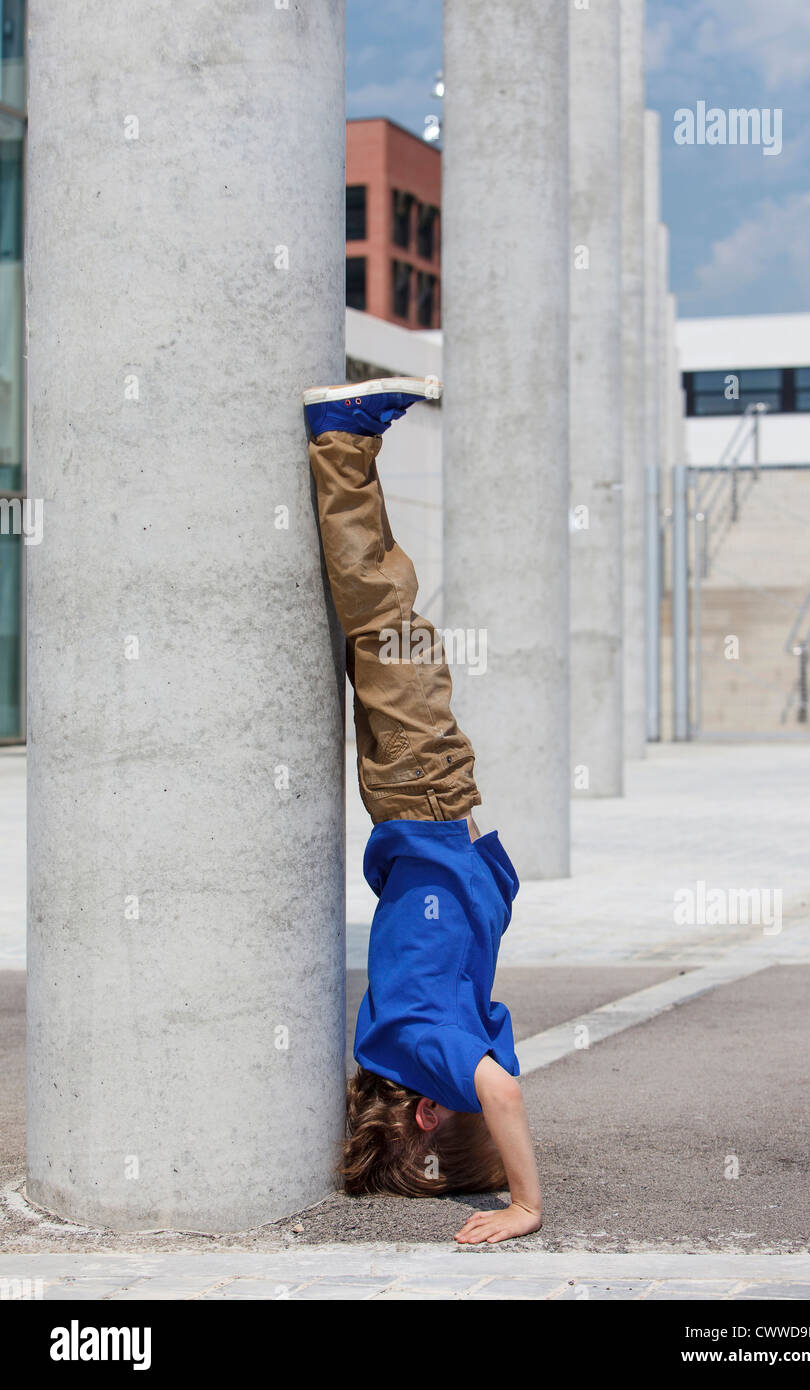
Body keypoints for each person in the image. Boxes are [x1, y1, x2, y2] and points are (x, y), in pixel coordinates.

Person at [304, 376, 542, 1244]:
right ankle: (346, 445)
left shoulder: (417, 1045)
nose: (477, 1095)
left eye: (456, 1116)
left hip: (423, 792)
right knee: (382, 618)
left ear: (429, 1118)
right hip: (423, 799)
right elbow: (498, 1068)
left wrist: (524, 1203)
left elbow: (500, 1091)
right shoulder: (411, 1044)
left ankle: (339, 435)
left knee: (382, 611)